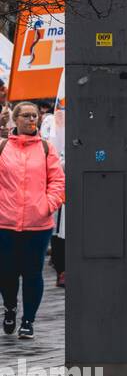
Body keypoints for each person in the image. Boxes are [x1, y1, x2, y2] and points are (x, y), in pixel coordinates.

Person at [0, 101, 66, 339]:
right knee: (6, 272)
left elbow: (57, 182)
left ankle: (28, 320)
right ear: (15, 120)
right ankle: (10, 307)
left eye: (34, 116)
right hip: (5, 223)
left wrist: (48, 205)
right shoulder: (3, 147)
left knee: (32, 272)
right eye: (26, 116)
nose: (31, 120)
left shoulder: (47, 148)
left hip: (38, 224)